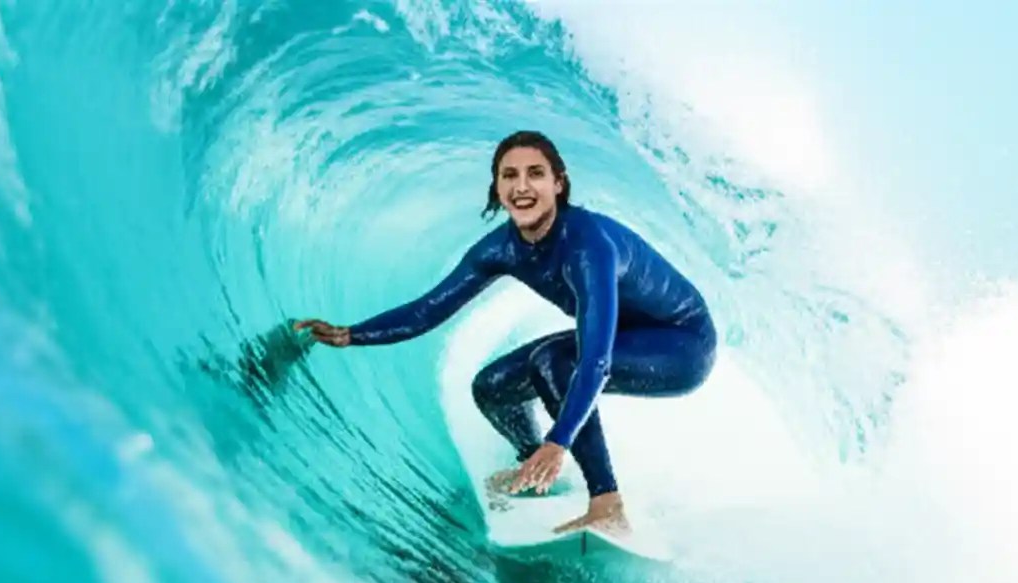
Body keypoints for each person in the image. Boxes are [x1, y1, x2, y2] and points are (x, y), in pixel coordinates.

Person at [295, 130, 717, 535]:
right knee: (493, 385)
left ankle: (606, 503)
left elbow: (596, 361)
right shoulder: (501, 249)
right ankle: (535, 466)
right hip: (628, 336)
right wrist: (350, 334)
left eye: (536, 173)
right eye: (509, 175)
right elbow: (428, 310)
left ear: (558, 184)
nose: (522, 186)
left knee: (554, 362)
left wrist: (560, 440)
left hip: (682, 345)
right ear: (497, 188)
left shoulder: (588, 247)